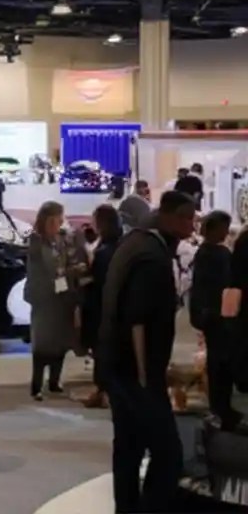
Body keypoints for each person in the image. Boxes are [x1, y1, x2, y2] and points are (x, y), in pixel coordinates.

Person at [97, 191, 196, 514]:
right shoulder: (151, 256)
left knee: (128, 446)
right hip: (133, 373)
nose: (191, 225)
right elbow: (137, 321)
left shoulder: (136, 245)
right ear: (167, 216)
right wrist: (146, 376)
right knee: (168, 454)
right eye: (185, 217)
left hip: (115, 364)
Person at [189, 210, 240, 430]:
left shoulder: (204, 253)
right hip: (219, 315)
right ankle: (222, 407)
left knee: (217, 362)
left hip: (209, 314)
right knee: (222, 363)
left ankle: (219, 407)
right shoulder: (218, 255)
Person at [24, 201, 80, 401]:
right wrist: (68, 271)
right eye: (57, 219)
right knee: (43, 342)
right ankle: (36, 385)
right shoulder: (37, 241)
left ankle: (54, 381)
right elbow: (48, 267)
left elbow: (66, 260)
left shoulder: (61, 239)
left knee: (60, 341)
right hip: (43, 297)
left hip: (61, 296)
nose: (60, 222)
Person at [81, 204, 123, 410]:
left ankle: (103, 391)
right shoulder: (118, 246)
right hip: (112, 306)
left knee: (102, 350)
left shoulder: (105, 251)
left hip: (101, 307)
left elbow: (98, 281)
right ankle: (104, 390)